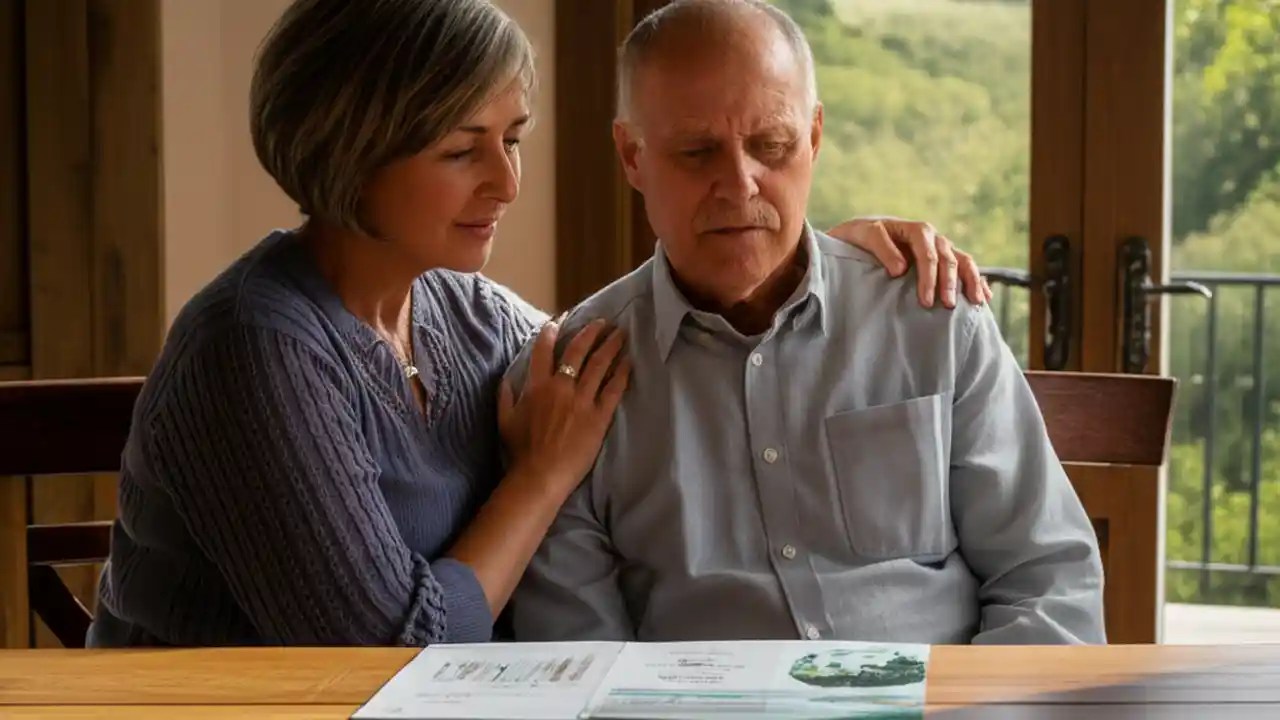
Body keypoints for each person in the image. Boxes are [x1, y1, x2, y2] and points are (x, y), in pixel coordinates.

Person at [87, 0, 990, 648]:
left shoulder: (466, 315)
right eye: (459, 151)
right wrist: (544, 474)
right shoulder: (254, 349)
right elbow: (386, 663)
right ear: (348, 158)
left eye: (511, 138)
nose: (507, 183)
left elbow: (650, 321)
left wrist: (806, 255)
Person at [508, 0, 1104, 646]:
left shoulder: (933, 318)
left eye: (771, 145)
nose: (740, 185)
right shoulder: (570, 385)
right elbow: (576, 665)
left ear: (814, 138)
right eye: (697, 151)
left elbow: (1050, 585)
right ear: (631, 155)